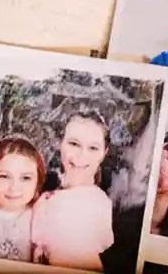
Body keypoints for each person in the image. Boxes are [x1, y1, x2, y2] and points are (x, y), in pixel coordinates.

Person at [31, 109, 114, 271]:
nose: (82, 155)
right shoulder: (44, 191)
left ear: (104, 153)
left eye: (93, 148)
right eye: (74, 144)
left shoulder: (97, 204)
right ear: (60, 143)